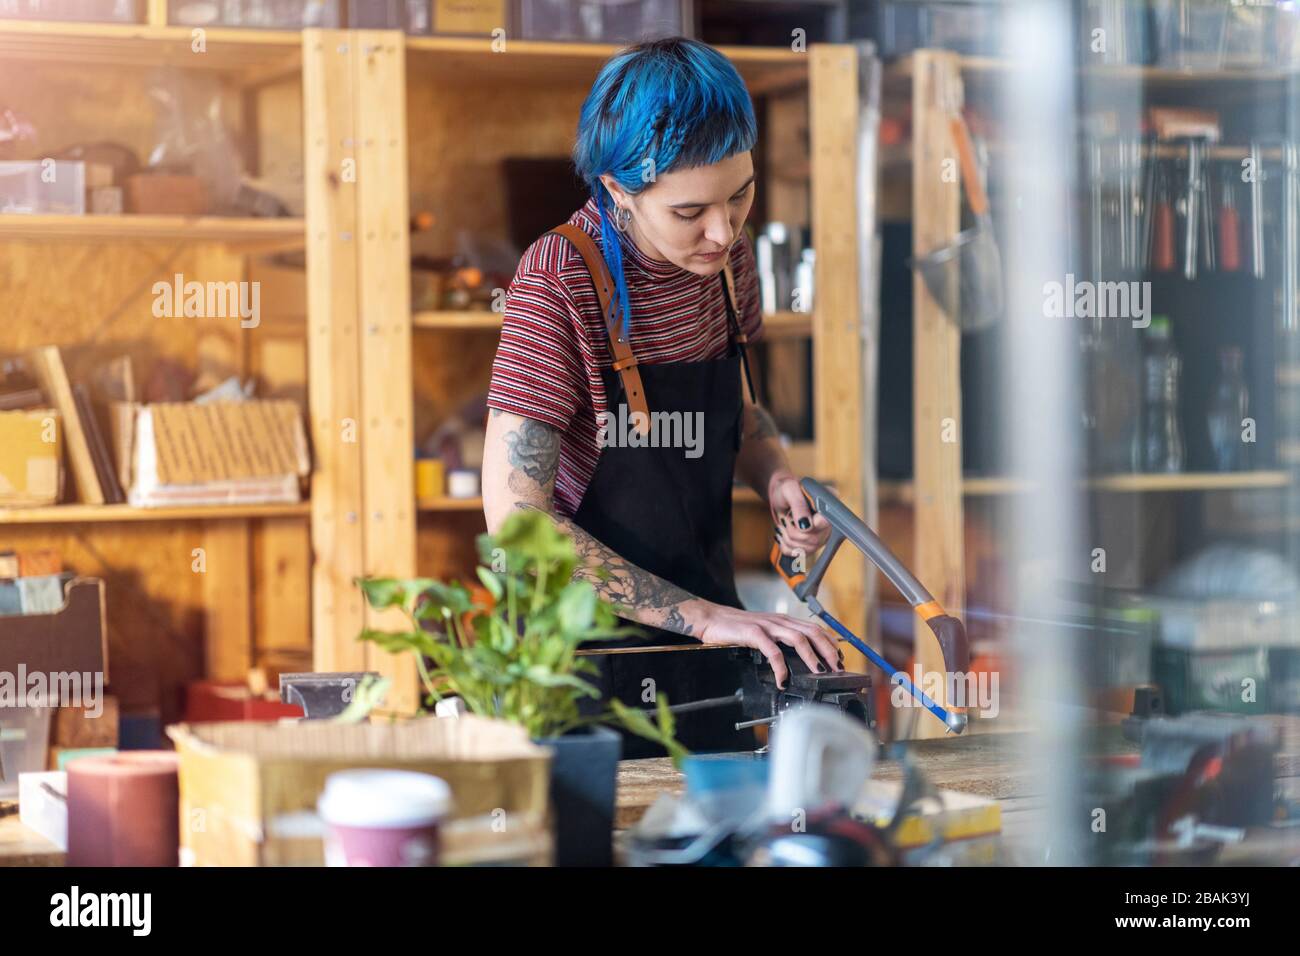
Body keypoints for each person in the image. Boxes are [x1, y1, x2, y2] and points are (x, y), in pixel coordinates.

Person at [482, 37, 839, 756]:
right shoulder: (559, 280)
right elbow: (518, 528)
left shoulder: (729, 261)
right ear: (618, 190)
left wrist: (773, 474)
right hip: (581, 662)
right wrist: (705, 618)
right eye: (689, 212)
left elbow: (735, 409)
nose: (722, 230)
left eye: (741, 194)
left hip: (708, 643)